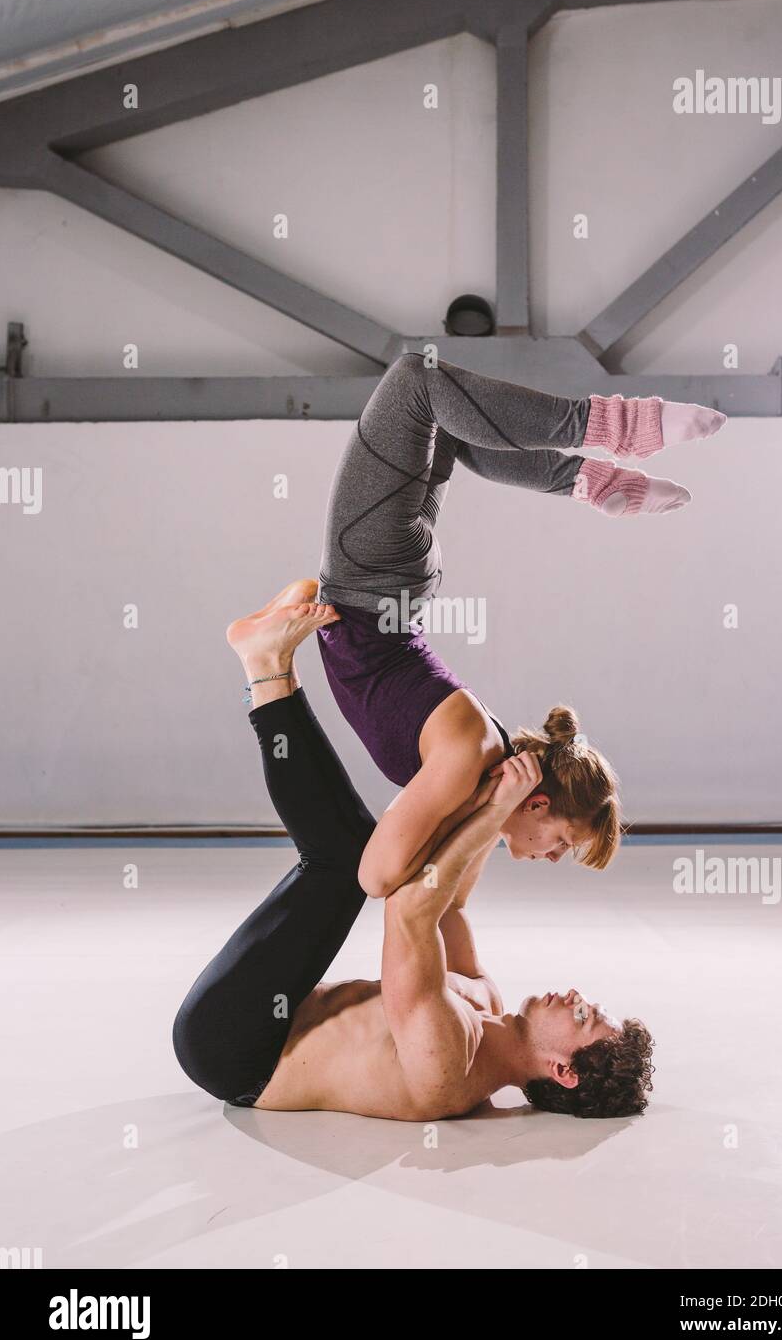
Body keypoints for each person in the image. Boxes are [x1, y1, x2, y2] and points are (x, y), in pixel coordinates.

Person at [172, 604, 655, 1118]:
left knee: (342, 863)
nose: (576, 994)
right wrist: (486, 791)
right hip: (273, 1010)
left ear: (564, 1069)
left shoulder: (450, 1063)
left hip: (235, 1048)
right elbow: (451, 904)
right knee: (346, 855)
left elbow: (409, 909)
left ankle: (267, 669)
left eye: (584, 1015)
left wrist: (494, 813)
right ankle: (271, 671)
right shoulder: (486, 1002)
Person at [310, 352, 723, 898]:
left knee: (448, 421)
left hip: (389, 587)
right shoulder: (470, 762)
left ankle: (593, 482)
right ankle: (621, 428)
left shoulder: (481, 780)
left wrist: (493, 816)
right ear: (539, 802)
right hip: (372, 575)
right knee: (418, 381)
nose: (552, 857)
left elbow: (437, 894)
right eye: (562, 843)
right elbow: (378, 877)